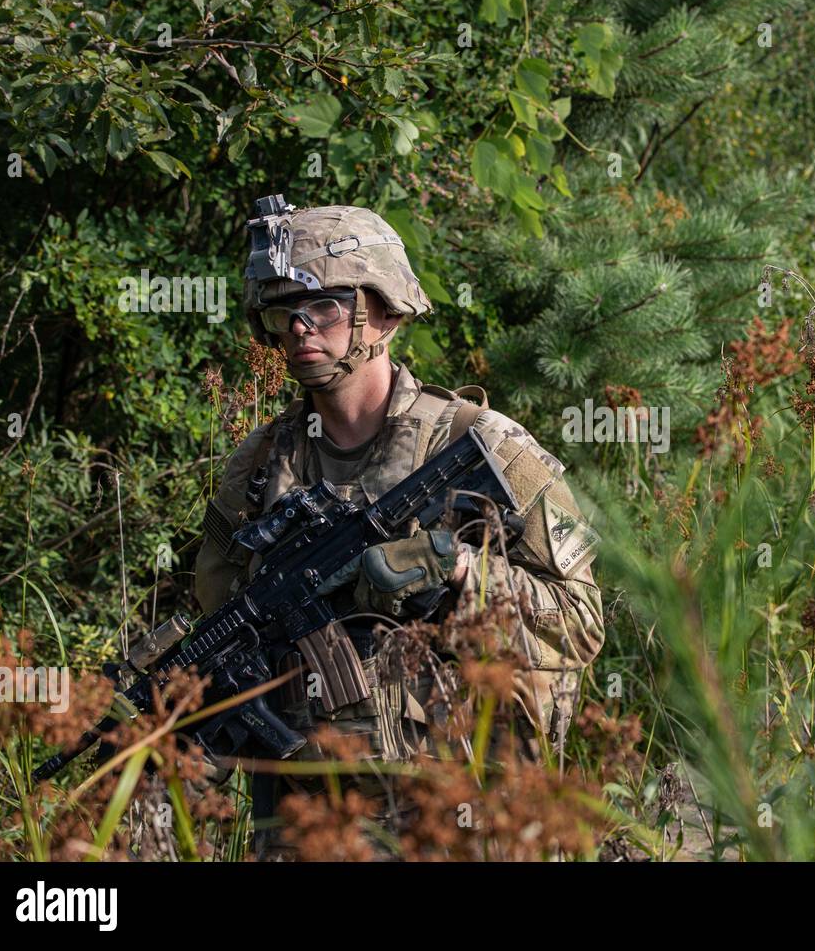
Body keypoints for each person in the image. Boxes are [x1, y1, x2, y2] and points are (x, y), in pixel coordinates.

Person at [193, 195, 604, 856]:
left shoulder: (482, 446)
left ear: (382, 310)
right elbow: (212, 614)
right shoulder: (260, 467)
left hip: (460, 808)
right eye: (283, 313)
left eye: (324, 306)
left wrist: (459, 567)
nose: (301, 329)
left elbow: (581, 624)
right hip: (312, 818)